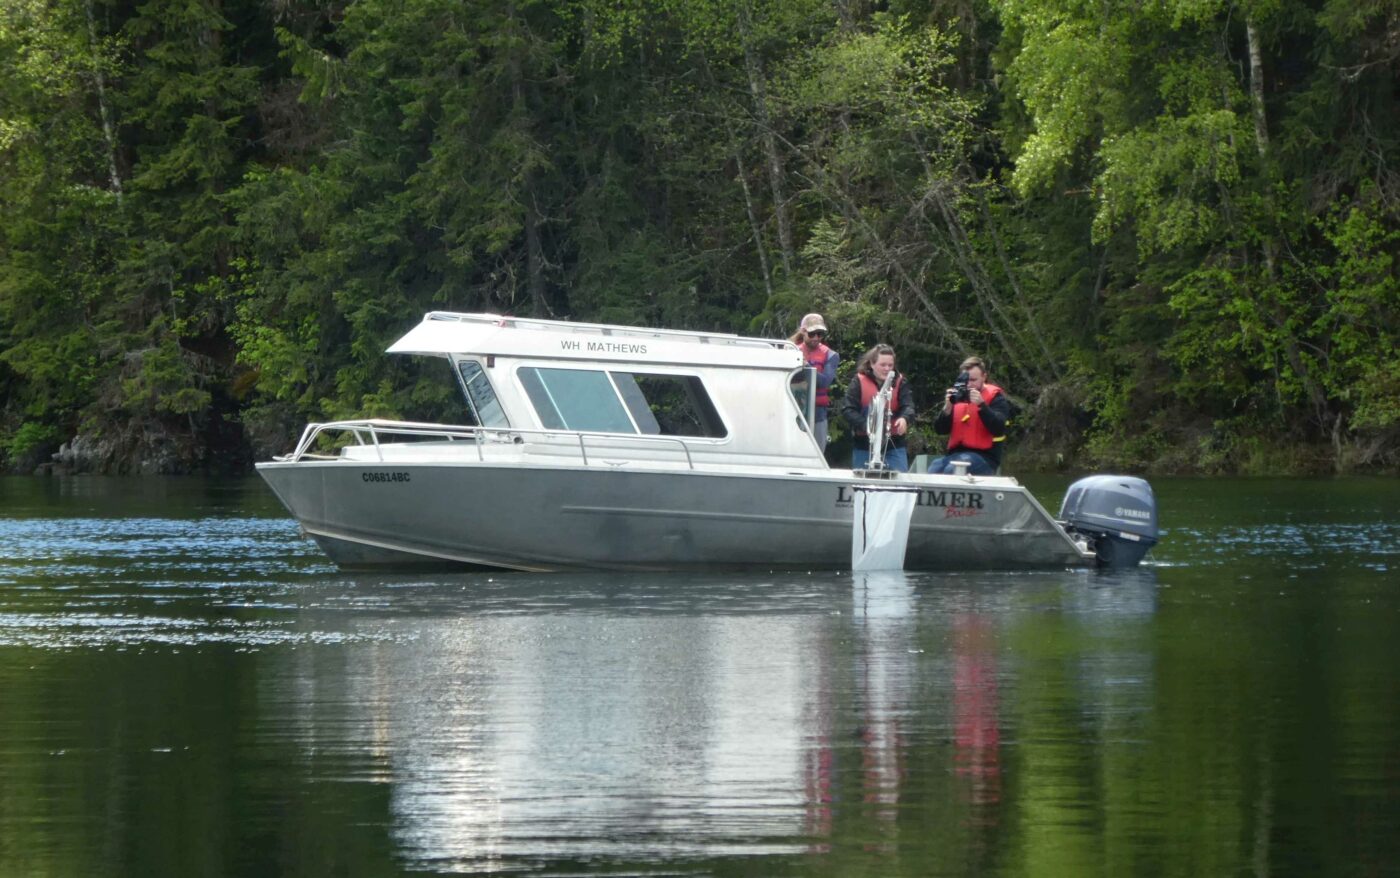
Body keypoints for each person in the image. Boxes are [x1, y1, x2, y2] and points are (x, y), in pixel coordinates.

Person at [927, 356, 1011, 475]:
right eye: (966, 380)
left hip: (985, 457)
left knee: (952, 470)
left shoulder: (996, 398)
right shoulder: (957, 397)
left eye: (973, 380)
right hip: (956, 455)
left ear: (984, 377)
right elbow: (940, 430)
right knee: (934, 468)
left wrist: (982, 406)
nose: (969, 384)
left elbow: (999, 428)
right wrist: (947, 409)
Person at [842, 344, 914, 471]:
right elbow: (848, 409)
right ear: (872, 364)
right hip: (864, 444)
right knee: (862, 484)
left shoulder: (900, 382)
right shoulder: (858, 381)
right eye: (883, 365)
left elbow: (908, 406)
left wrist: (904, 418)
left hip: (894, 444)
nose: (887, 369)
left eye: (890, 365)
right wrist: (867, 425)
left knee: (900, 481)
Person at [789, 313, 840, 449]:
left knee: (817, 451)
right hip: (792, 408)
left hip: (818, 411)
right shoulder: (790, 351)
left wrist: (807, 366)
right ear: (803, 332)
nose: (816, 338)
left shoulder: (831, 355)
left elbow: (824, 382)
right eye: (812, 334)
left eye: (820, 334)